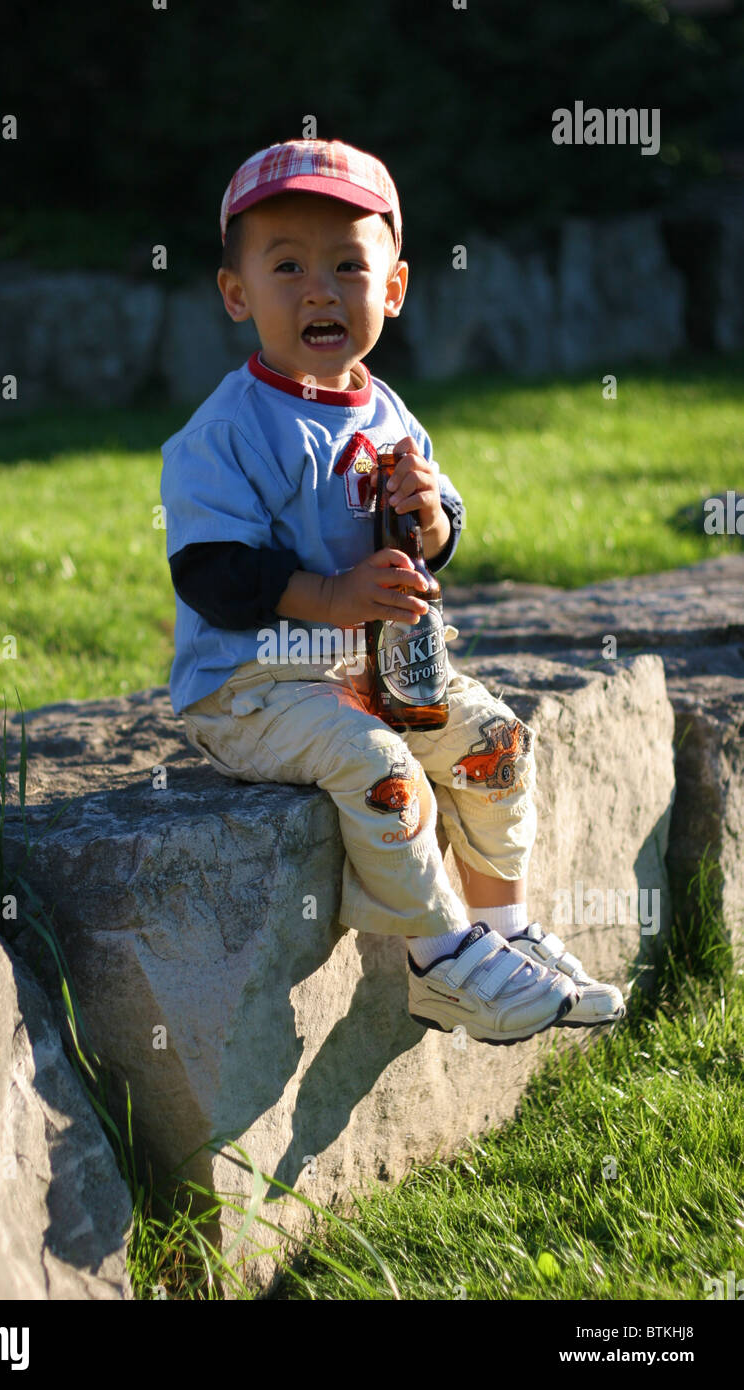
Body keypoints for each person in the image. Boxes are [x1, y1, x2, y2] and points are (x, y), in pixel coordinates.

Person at [160, 138, 625, 1045]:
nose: (319, 290)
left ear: (396, 289)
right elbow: (211, 574)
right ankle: (441, 959)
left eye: (347, 265)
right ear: (236, 294)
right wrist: (332, 597)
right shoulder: (227, 430)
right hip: (254, 686)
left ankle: (504, 931)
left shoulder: (385, 409)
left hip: (375, 668)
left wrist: (433, 523)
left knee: (495, 738)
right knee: (382, 768)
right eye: (285, 266)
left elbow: (437, 522)